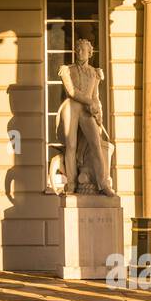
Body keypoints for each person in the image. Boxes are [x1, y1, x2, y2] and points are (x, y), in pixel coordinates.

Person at [55, 38, 116, 196]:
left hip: (87, 111)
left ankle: (102, 183)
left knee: (96, 145)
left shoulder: (95, 73)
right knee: (71, 146)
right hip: (72, 108)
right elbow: (72, 92)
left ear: (90, 52)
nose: (79, 52)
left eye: (82, 49)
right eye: (77, 49)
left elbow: (95, 96)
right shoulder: (67, 70)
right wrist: (90, 102)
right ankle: (71, 184)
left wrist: (99, 114)